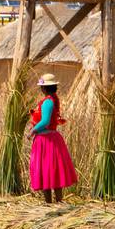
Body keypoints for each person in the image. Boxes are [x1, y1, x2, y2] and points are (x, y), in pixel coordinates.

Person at [27, 73, 77, 202]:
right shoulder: (53, 99)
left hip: (46, 141)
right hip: (52, 138)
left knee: (46, 169)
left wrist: (33, 130)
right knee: (53, 169)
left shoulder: (48, 102)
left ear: (44, 88)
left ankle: (50, 202)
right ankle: (57, 202)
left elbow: (45, 121)